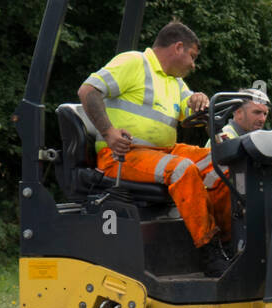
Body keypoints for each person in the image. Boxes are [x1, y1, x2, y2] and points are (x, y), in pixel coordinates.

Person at [78, 21, 231, 277]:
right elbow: (88, 91)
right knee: (183, 169)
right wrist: (109, 132)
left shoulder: (175, 82)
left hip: (163, 151)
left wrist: (197, 100)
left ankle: (228, 242)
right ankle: (208, 250)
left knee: (224, 163)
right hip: (122, 155)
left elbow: (189, 111)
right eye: (192, 57)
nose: (194, 65)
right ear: (178, 47)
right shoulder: (134, 62)